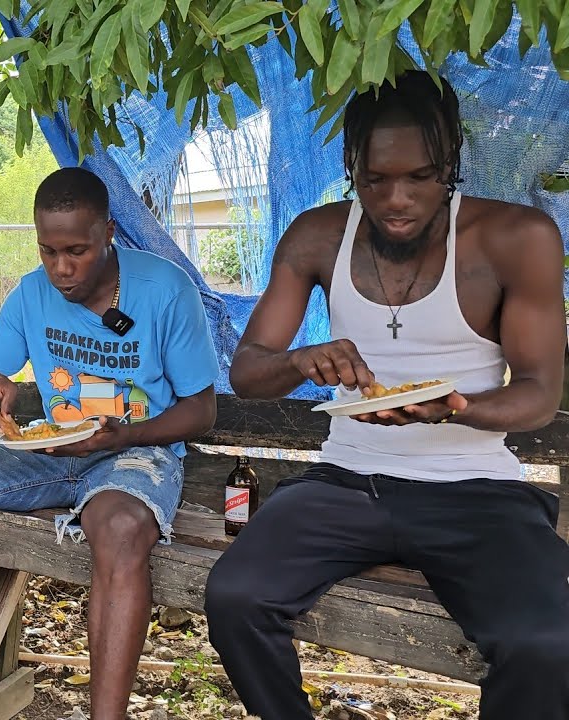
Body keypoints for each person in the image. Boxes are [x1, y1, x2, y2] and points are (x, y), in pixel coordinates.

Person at [205, 70, 569, 719]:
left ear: (450, 162)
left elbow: (539, 394)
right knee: (236, 597)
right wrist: (299, 360)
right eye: (375, 180)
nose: (396, 199)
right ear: (351, 165)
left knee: (545, 644)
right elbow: (248, 372)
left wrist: (457, 408)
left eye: (420, 177)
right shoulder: (317, 235)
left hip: (475, 491)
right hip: (348, 481)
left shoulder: (515, 237)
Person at [0, 167, 220, 720]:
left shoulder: (165, 290)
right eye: (48, 251)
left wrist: (126, 434)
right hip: (51, 451)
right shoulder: (31, 293)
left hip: (135, 452)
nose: (61, 268)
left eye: (76, 251)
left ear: (108, 232)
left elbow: (201, 409)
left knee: (118, 527)